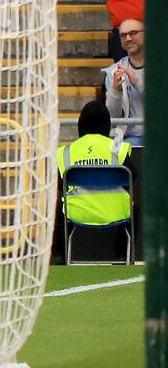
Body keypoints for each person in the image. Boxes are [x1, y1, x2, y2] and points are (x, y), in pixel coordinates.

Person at [55, 101, 134, 258]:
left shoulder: (66, 152)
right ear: (107, 125)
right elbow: (133, 176)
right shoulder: (118, 148)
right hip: (115, 213)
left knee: (57, 208)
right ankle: (123, 256)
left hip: (77, 214)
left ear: (80, 125)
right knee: (135, 208)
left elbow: (58, 185)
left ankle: (59, 257)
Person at [105, 19, 145, 145]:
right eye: (123, 35)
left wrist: (137, 83)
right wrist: (116, 91)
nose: (128, 38)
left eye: (133, 33)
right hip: (129, 139)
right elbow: (112, 118)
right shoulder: (114, 71)